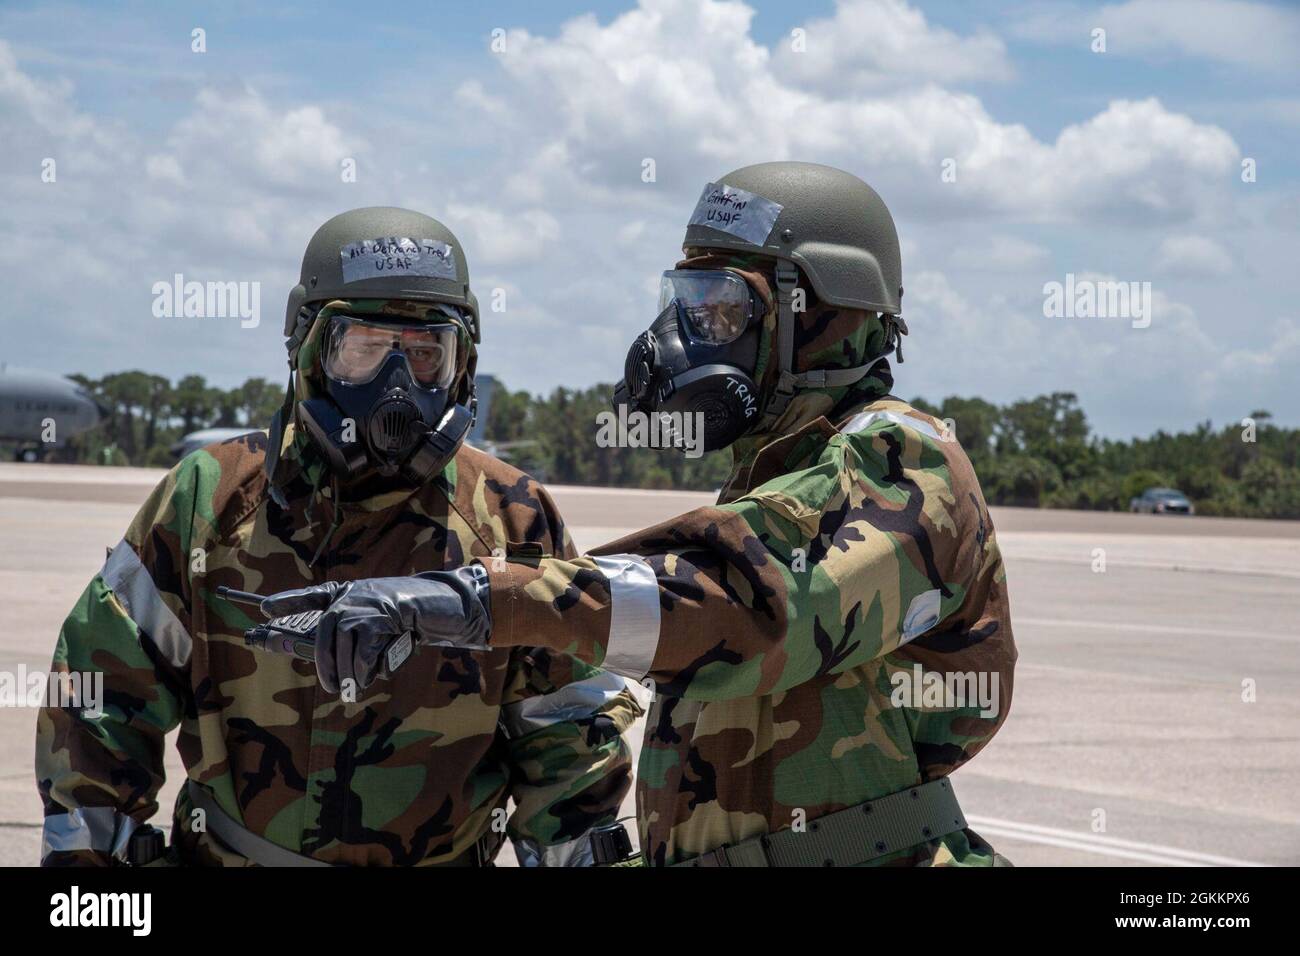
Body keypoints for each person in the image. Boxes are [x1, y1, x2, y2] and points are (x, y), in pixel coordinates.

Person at [260, 165, 1018, 867]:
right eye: (686, 305)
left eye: (719, 310)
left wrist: (474, 600)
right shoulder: (783, 481)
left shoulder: (906, 463)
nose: (683, 337)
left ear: (816, 315)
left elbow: (746, 603)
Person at [35, 207, 640, 867]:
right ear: (310, 349)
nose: (397, 385)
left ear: (460, 365)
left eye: (423, 354)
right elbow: (101, 694)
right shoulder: (210, 498)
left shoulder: (511, 517)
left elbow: (571, 742)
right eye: (365, 349)